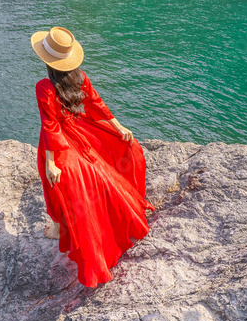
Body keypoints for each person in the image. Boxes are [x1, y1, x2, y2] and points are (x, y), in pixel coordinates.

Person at [30, 26, 155, 287]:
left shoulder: (44, 86)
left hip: (61, 140)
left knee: (55, 182)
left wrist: (51, 162)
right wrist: (118, 128)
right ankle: (74, 226)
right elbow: (96, 105)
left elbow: (50, 124)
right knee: (95, 172)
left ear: (47, 61)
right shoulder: (80, 77)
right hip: (80, 129)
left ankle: (59, 228)